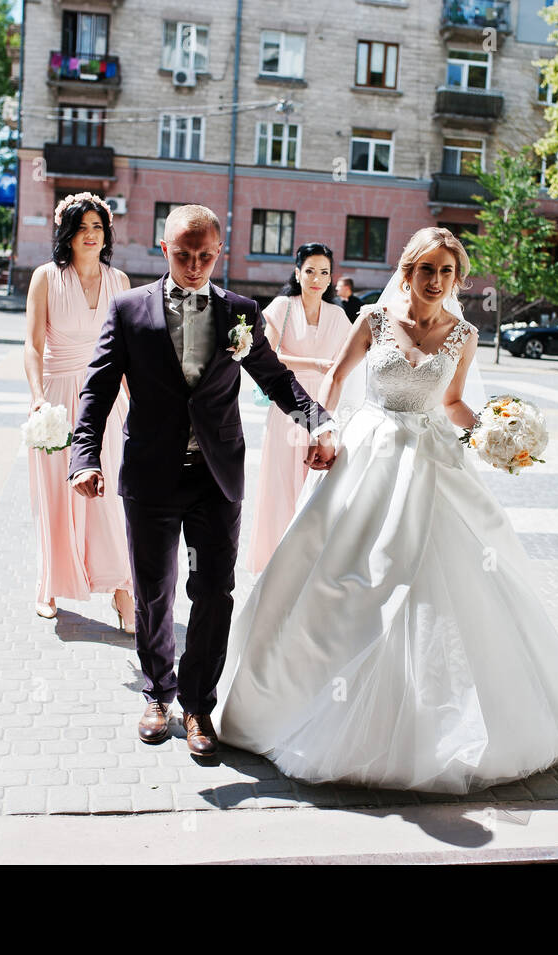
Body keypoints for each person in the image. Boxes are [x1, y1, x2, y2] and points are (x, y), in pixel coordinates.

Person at [214, 227, 558, 793]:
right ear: (408, 270)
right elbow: (334, 376)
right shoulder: (372, 318)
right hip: (369, 452)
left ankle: (432, 722)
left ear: (457, 278)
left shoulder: (463, 334)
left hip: (431, 458)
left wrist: (495, 435)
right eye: (428, 269)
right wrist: (320, 429)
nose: (437, 281)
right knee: (344, 573)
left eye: (448, 272)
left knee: (444, 578)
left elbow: (450, 401)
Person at [68, 204, 338, 756]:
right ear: (163, 250)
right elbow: (96, 389)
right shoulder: (127, 310)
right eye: (184, 255)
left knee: (214, 591)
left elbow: (276, 378)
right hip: (150, 475)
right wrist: (84, 458)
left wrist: (320, 425)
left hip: (216, 476)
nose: (195, 266)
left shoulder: (241, 311)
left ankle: (197, 705)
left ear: (220, 253)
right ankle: (156, 693)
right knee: (153, 594)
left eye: (205, 256)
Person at [24, 192, 136, 631]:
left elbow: (128, 352)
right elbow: (32, 346)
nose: (91, 235)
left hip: (107, 398)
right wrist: (37, 398)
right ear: (66, 233)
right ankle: (49, 583)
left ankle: (123, 590)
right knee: (56, 497)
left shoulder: (121, 281)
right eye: (82, 227)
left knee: (110, 497)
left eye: (98, 227)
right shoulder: (45, 278)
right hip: (55, 397)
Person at [247, 243, 352, 573]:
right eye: (310, 271)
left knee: (318, 480)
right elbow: (269, 357)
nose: (317, 278)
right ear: (297, 273)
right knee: (282, 481)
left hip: (325, 404)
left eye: (324, 272)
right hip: (286, 404)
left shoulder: (338, 315)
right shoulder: (281, 307)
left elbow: (351, 360)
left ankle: (312, 560)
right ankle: (278, 560)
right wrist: (316, 364)